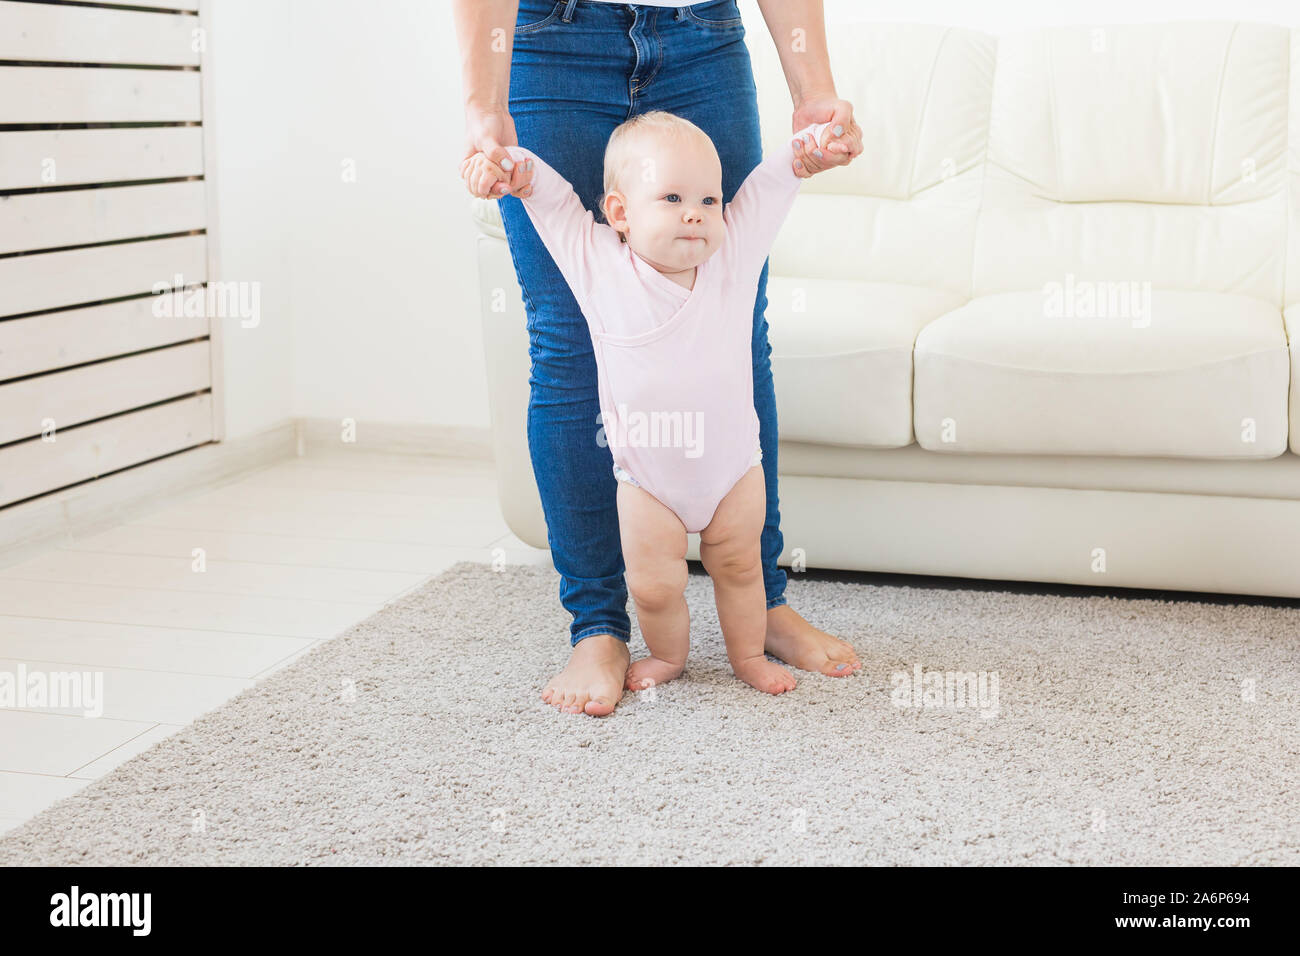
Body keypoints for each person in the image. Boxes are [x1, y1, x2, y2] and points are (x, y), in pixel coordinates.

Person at [453, 0, 865, 716]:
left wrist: (815, 97)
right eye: (676, 198)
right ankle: (600, 629)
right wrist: (485, 109)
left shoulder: (728, 237)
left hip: (701, 30)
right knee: (565, 340)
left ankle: (761, 604)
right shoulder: (596, 247)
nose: (694, 210)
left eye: (701, 199)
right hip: (550, 35)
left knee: (739, 327)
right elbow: (552, 204)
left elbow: (767, 193)